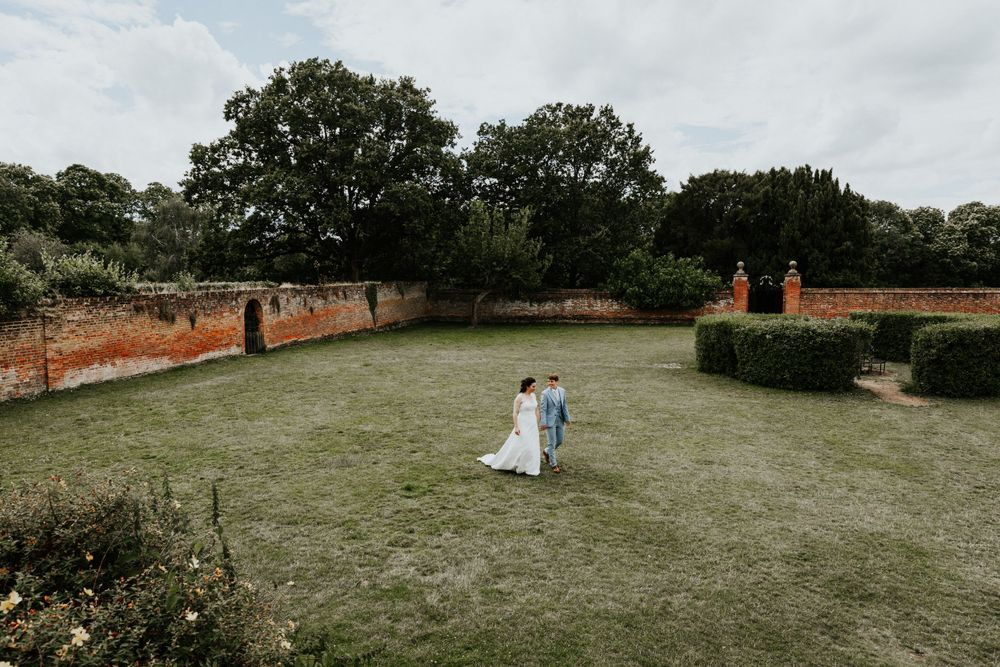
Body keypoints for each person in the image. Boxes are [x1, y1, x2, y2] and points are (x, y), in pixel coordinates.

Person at [477, 377, 541, 476]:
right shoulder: (520, 397)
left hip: (532, 424)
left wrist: (536, 422)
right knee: (521, 444)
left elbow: (536, 410)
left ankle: (529, 465)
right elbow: (515, 413)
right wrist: (516, 426)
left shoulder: (533, 396)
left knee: (532, 445)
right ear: (527, 386)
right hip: (523, 423)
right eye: (533, 386)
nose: (535, 388)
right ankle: (515, 463)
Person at [539, 373, 571, 473]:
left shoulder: (562, 391)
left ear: (556, 381)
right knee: (551, 443)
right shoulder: (545, 393)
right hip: (549, 421)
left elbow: (564, 406)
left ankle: (546, 451)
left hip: (560, 420)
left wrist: (567, 419)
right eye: (548, 381)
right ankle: (554, 465)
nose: (549, 383)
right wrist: (543, 422)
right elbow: (543, 409)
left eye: (551, 381)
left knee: (560, 440)